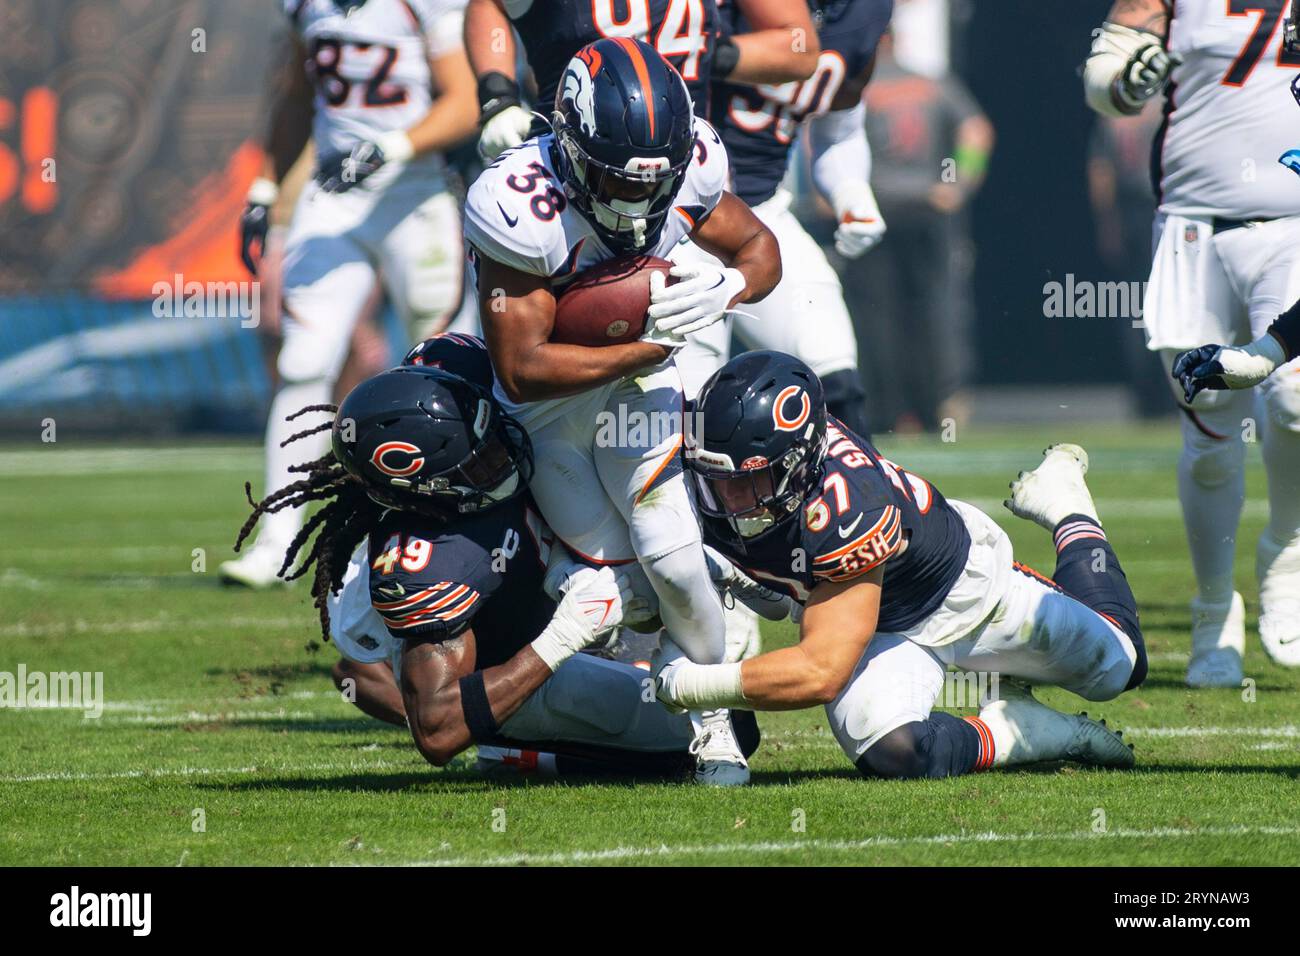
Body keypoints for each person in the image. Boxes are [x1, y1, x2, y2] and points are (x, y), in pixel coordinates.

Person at [463, 38, 781, 784]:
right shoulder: (517, 202)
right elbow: (523, 366)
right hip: (548, 411)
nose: (638, 201)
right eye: (616, 179)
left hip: (636, 389)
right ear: (570, 146)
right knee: (617, 588)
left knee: (666, 557)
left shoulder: (693, 160)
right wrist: (645, 347)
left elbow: (761, 247)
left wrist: (729, 288)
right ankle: (712, 572)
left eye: (654, 183)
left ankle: (713, 727)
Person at [234, 362, 758, 777]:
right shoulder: (427, 561)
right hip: (517, 664)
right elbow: (435, 732)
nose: (502, 460)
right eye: (478, 464)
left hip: (537, 600)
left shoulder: (467, 376)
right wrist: (564, 638)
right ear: (426, 493)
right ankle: (516, 747)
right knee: (721, 729)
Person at [653, 350, 1145, 780]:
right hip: (885, 631)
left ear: (799, 463)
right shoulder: (705, 471)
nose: (728, 498)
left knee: (1121, 667)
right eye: (717, 477)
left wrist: (687, 685)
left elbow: (821, 669)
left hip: (968, 598)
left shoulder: (850, 503)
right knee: (893, 751)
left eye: (747, 482)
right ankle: (1026, 731)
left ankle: (1068, 508)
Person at [221, 0, 479, 589]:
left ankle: (456, 525)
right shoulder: (304, 6)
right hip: (334, 194)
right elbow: (293, 96)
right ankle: (276, 543)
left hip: (415, 193)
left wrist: (392, 147)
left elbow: (464, 101)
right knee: (303, 362)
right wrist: (266, 183)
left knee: (443, 363)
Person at [1083, 0, 1300, 683]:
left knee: (1295, 399)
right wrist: (1121, 79)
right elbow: (1107, 83)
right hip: (1193, 226)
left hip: (1295, 222)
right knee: (1210, 435)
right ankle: (1212, 611)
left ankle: (1285, 554)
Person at [673, 0, 895, 439]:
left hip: (762, 215)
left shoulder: (861, 14)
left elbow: (841, 127)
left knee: (832, 371)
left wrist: (851, 191)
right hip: (680, 216)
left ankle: (846, 503)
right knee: (688, 395)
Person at [848, 28, 992, 432]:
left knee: (876, 315)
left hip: (873, 206)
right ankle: (933, 408)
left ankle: (887, 413)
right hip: (929, 206)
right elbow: (977, 132)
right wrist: (959, 185)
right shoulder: (931, 84)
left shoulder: (856, 86)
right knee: (932, 309)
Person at [465, 0, 822, 160]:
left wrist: (700, 50)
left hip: (688, 170)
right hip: (567, 174)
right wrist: (497, 95)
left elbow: (799, 48)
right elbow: (488, 5)